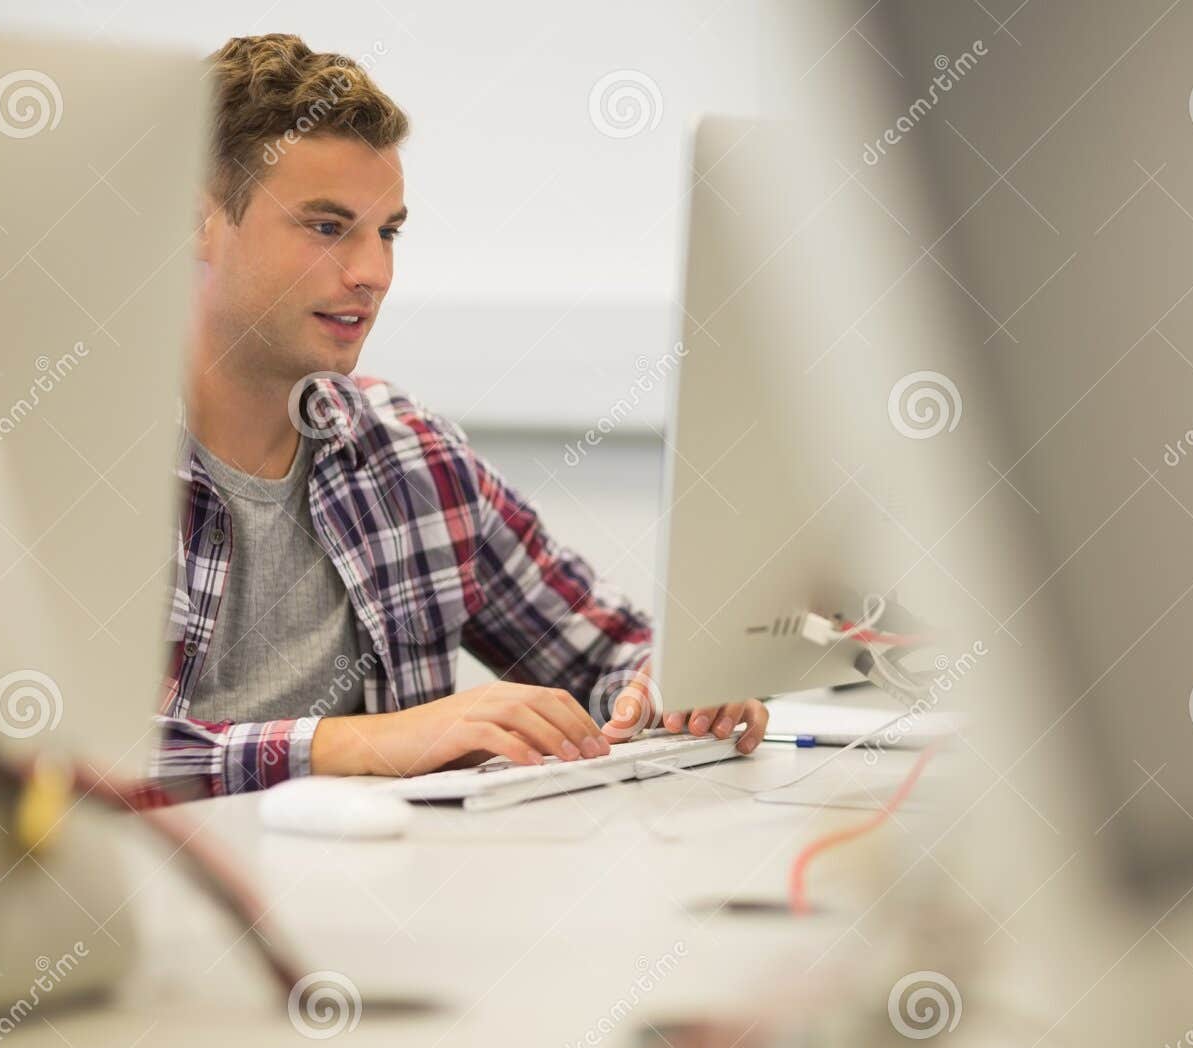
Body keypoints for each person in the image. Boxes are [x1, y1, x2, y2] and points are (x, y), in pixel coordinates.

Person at [152, 33, 766, 797]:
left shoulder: (408, 455)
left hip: (379, 899)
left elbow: (613, 654)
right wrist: (366, 742)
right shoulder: (71, 464)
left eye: (388, 232)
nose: (373, 273)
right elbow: (51, 757)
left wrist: (672, 692)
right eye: (325, 226)